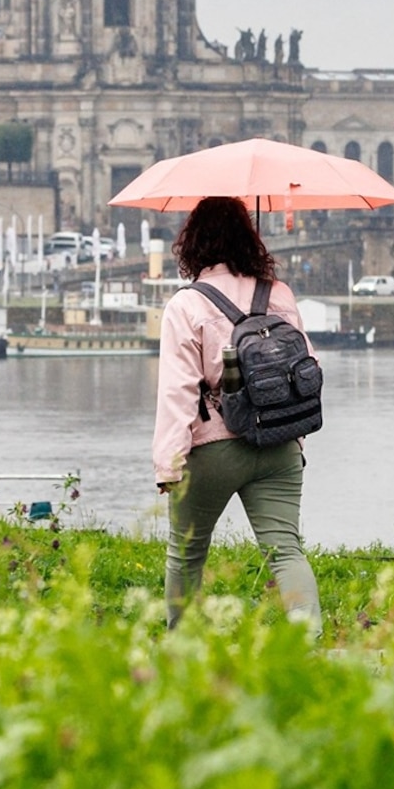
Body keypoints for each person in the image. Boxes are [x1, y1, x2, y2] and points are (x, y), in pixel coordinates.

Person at [153, 196, 321, 632]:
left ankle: (183, 645)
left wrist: (169, 465)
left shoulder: (187, 305)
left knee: (186, 552)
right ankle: (308, 640)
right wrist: (294, 436)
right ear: (249, 240)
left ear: (192, 244)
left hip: (214, 448)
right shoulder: (279, 293)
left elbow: (177, 392)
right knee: (285, 550)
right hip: (279, 444)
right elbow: (306, 367)